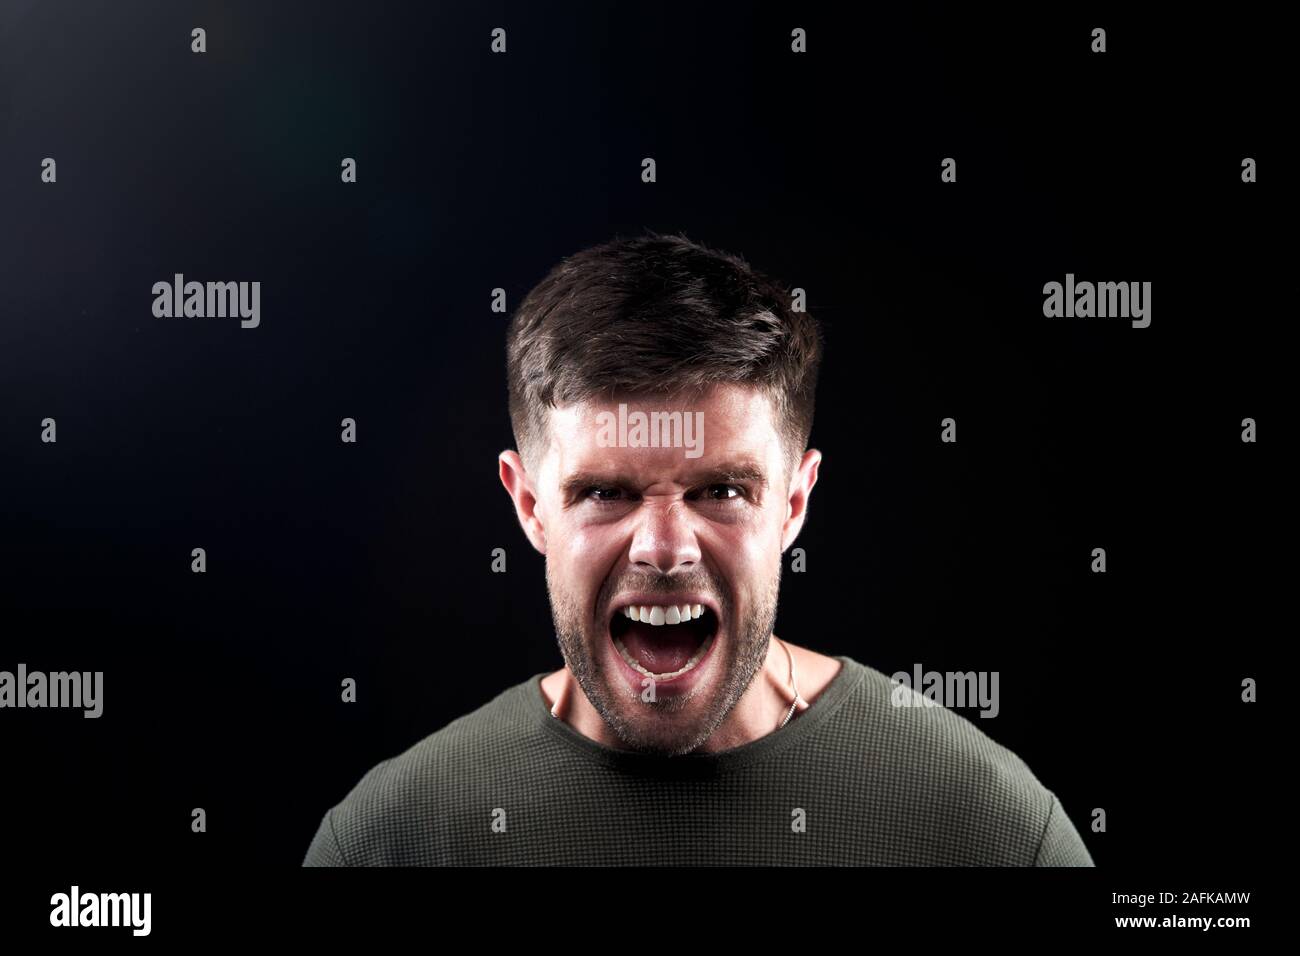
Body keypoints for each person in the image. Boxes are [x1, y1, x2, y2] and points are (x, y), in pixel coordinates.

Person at [303, 231, 1094, 866]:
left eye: (720, 490)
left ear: (793, 501)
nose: (665, 548)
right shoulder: (390, 840)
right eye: (606, 492)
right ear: (529, 504)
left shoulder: (987, 828)